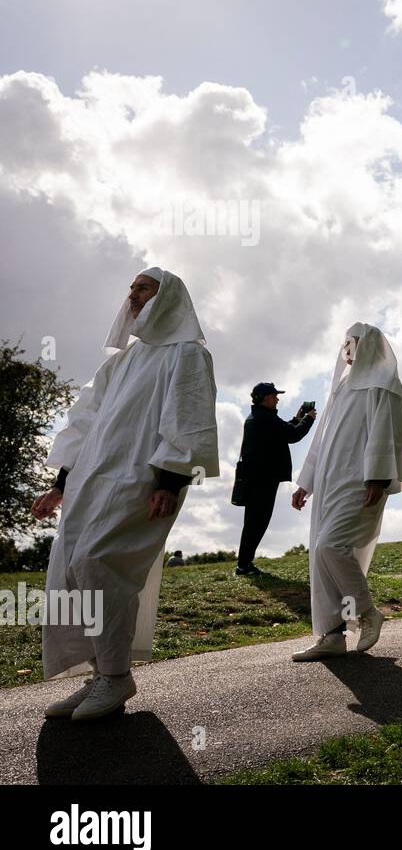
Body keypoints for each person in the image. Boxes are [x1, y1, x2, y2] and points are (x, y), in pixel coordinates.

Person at [32, 268, 219, 720]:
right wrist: (61, 483)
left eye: (144, 288)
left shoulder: (187, 354)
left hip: (140, 479)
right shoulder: (121, 361)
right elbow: (85, 421)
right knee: (71, 569)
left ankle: (117, 677)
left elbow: (190, 417)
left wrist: (170, 481)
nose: (133, 295)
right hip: (90, 481)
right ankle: (101, 673)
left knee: (99, 562)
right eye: (132, 288)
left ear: (167, 297)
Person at [290, 324, 402, 661]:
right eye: (344, 344)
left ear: (368, 345)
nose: (346, 350)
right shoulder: (342, 386)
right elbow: (322, 438)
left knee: (331, 546)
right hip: (330, 482)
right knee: (321, 554)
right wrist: (306, 482)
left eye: (353, 343)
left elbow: (384, 432)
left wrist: (377, 478)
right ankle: (332, 634)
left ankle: (367, 612)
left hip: (359, 482)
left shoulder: (383, 381)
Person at [233, 383, 315, 576]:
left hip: (257, 479)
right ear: (266, 398)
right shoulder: (266, 418)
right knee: (257, 522)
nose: (277, 399)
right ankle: (244, 565)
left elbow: (283, 430)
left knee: (254, 522)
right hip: (262, 480)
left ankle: (244, 563)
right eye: (274, 395)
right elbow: (292, 435)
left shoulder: (260, 417)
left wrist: (297, 418)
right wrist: (309, 419)